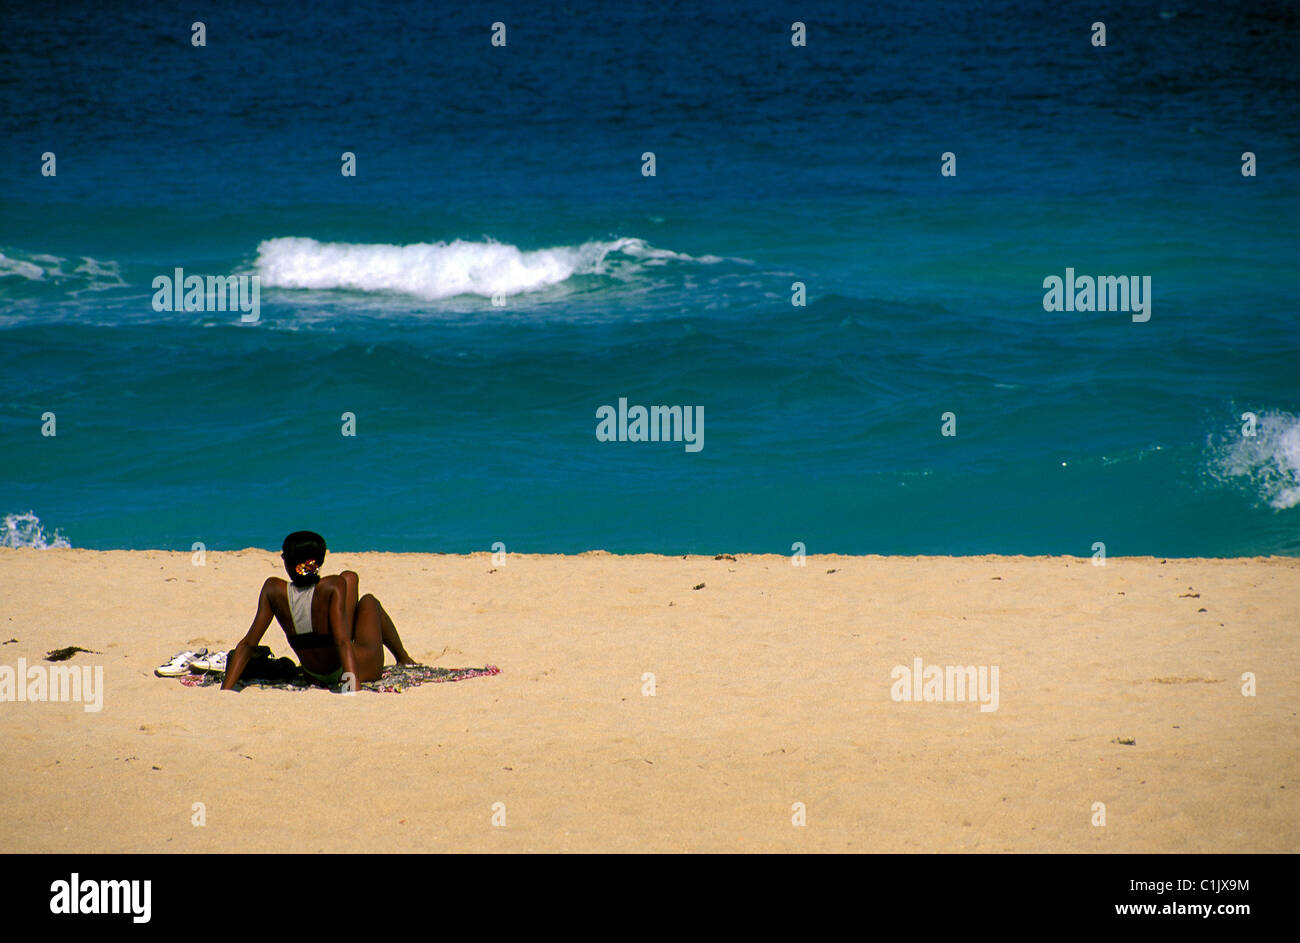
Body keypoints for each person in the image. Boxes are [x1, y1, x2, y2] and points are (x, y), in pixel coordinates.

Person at [221, 531, 416, 691]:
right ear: (318, 562)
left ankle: (403, 658)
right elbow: (342, 642)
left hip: (312, 673)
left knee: (350, 577)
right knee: (368, 602)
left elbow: (248, 644)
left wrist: (226, 690)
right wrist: (352, 687)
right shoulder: (332, 585)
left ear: (288, 562)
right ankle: (403, 658)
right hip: (347, 669)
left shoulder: (273, 590)